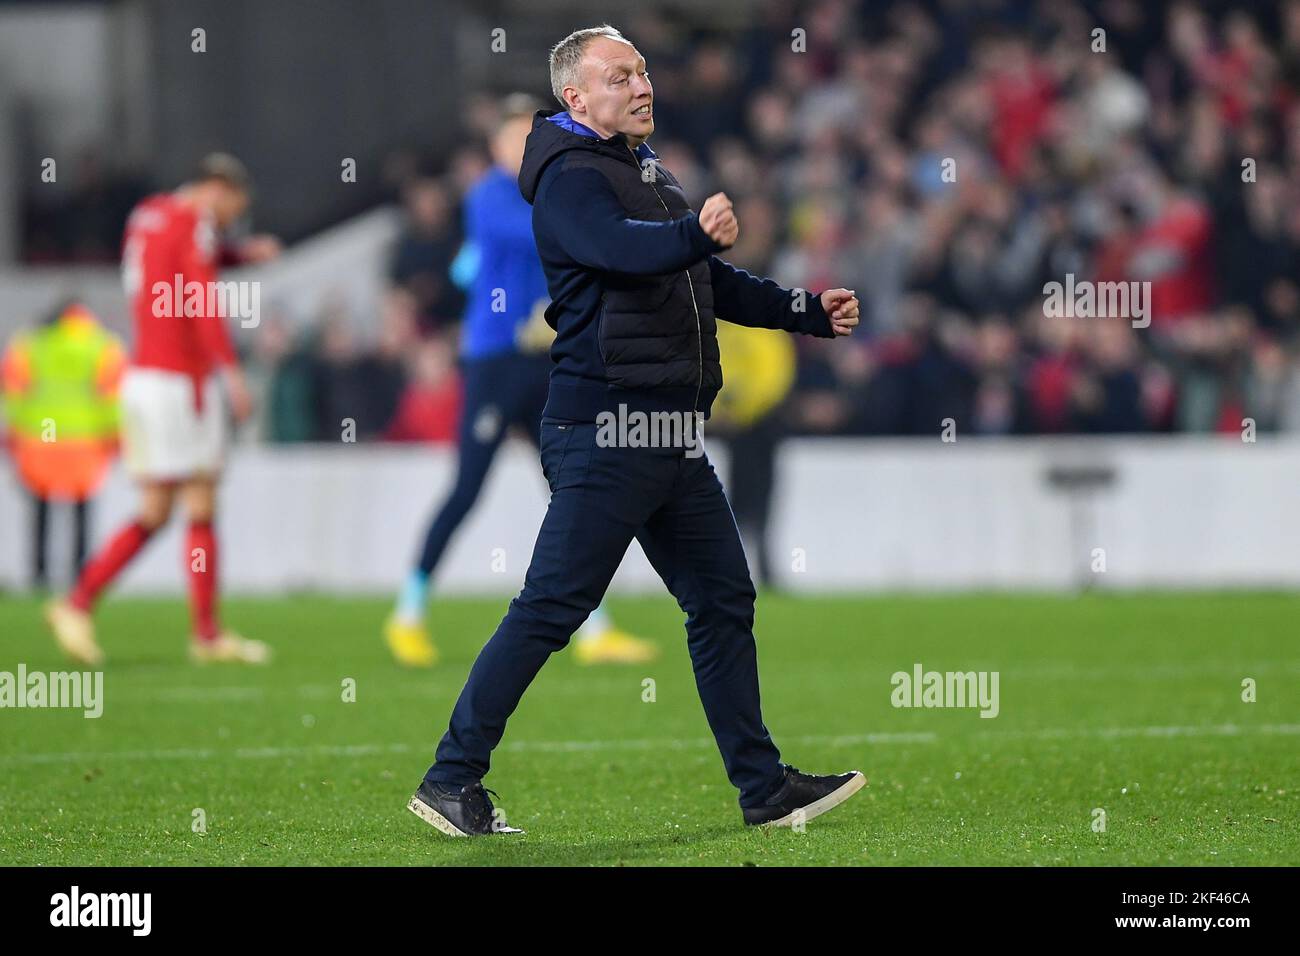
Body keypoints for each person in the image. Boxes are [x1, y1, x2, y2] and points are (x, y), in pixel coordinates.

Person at [407, 25, 864, 836]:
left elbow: (701, 276)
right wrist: (693, 234)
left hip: (670, 433)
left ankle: (762, 788)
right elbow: (621, 252)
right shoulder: (570, 176)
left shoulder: (637, 168)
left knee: (722, 598)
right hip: (609, 427)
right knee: (552, 606)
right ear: (577, 99)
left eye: (643, 70)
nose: (642, 84)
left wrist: (801, 311)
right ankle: (451, 777)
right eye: (620, 76)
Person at [385, 93, 659, 667]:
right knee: (467, 489)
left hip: (546, 362)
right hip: (494, 362)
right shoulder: (490, 194)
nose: (524, 149)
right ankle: (407, 613)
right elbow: (544, 234)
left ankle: (595, 628)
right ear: (496, 148)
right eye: (514, 139)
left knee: (574, 489)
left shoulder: (555, 189)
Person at [44, 153, 281, 665]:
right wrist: (232, 371)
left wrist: (238, 255)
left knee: (178, 506)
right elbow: (198, 294)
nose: (228, 221)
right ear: (217, 189)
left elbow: (182, 266)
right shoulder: (193, 221)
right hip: (179, 383)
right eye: (233, 208)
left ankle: (192, 629)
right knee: (183, 504)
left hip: (147, 378)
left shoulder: (149, 214)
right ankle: (88, 606)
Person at [1, 300, 125, 588]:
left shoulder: (29, 345)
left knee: (41, 509)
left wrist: (15, 435)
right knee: (82, 509)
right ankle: (81, 574)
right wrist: (115, 438)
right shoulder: (103, 346)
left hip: (42, 438)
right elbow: (112, 398)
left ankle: (39, 574)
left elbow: (13, 393)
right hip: (86, 440)